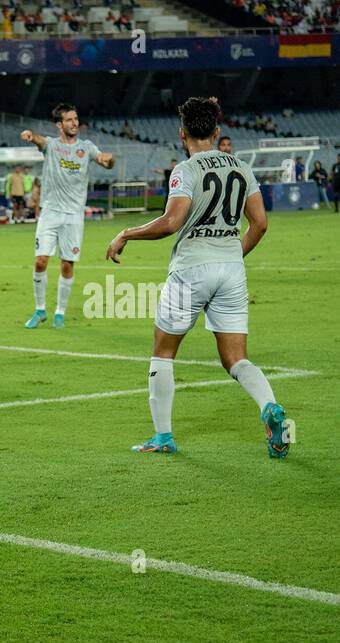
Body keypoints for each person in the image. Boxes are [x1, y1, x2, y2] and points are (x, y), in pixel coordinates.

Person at [106, 96, 289, 460]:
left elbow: (171, 222)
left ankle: (163, 437)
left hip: (191, 269)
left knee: (163, 352)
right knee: (237, 359)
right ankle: (269, 407)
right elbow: (261, 224)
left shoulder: (185, 170)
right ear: (217, 131)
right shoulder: (241, 167)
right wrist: (232, 254)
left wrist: (126, 233)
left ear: (182, 133)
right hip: (231, 270)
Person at [19, 103, 114, 329]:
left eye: (76, 119)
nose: (75, 123)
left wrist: (109, 160)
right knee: (40, 260)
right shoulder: (51, 145)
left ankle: (59, 313)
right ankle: (40, 310)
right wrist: (32, 137)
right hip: (50, 212)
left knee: (67, 265)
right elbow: (41, 141)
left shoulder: (86, 147)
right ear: (59, 125)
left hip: (73, 215)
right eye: (69, 120)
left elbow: (105, 162)